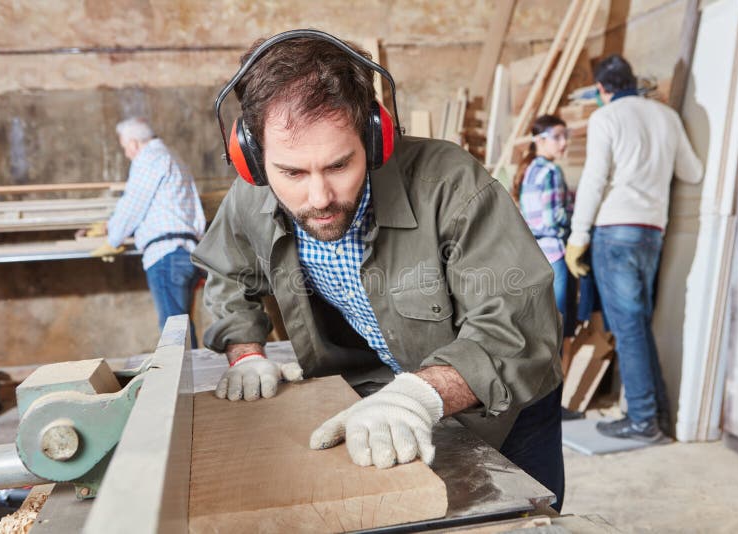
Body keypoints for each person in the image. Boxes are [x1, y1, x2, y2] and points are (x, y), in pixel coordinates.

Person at [192, 30, 565, 510]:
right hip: (376, 394)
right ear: (254, 159)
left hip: (506, 405)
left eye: (339, 165)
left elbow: (518, 322)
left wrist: (420, 394)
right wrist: (244, 352)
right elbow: (227, 271)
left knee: (520, 517)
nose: (319, 197)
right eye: (293, 174)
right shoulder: (254, 196)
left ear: (375, 136)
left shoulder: (450, 187)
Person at [564, 55, 703, 441]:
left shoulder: (606, 118)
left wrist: (578, 237)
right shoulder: (666, 116)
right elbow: (693, 172)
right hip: (653, 231)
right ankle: (655, 413)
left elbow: (593, 181)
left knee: (627, 329)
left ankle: (642, 420)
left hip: (615, 230)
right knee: (638, 324)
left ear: (603, 90)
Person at [90, 118, 206, 348]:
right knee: (183, 328)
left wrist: (113, 237)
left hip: (166, 256)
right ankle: (194, 380)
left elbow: (133, 203)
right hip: (188, 253)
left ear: (133, 144)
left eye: (125, 148)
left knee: (174, 333)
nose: (127, 154)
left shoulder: (148, 159)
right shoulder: (172, 157)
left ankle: (187, 384)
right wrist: (108, 225)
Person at [511, 114, 572, 317]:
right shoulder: (551, 171)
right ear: (540, 140)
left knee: (542, 322)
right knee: (558, 322)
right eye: (557, 137)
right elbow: (552, 219)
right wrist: (574, 215)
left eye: (566, 136)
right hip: (554, 253)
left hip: (535, 255)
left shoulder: (529, 170)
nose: (564, 142)